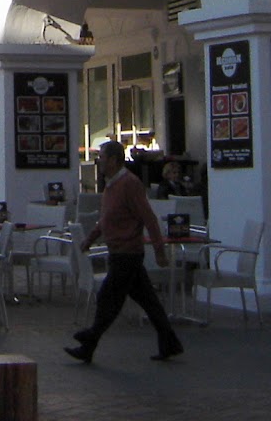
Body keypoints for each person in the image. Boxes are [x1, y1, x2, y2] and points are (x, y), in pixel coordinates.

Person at [66, 140, 184, 365]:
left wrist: (159, 250)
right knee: (148, 299)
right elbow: (107, 217)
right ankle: (169, 342)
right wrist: (90, 238)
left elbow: (148, 217)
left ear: (113, 160)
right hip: (119, 251)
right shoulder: (111, 185)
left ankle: (90, 340)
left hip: (127, 252)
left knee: (108, 297)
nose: (99, 160)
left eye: (102, 156)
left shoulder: (130, 184)